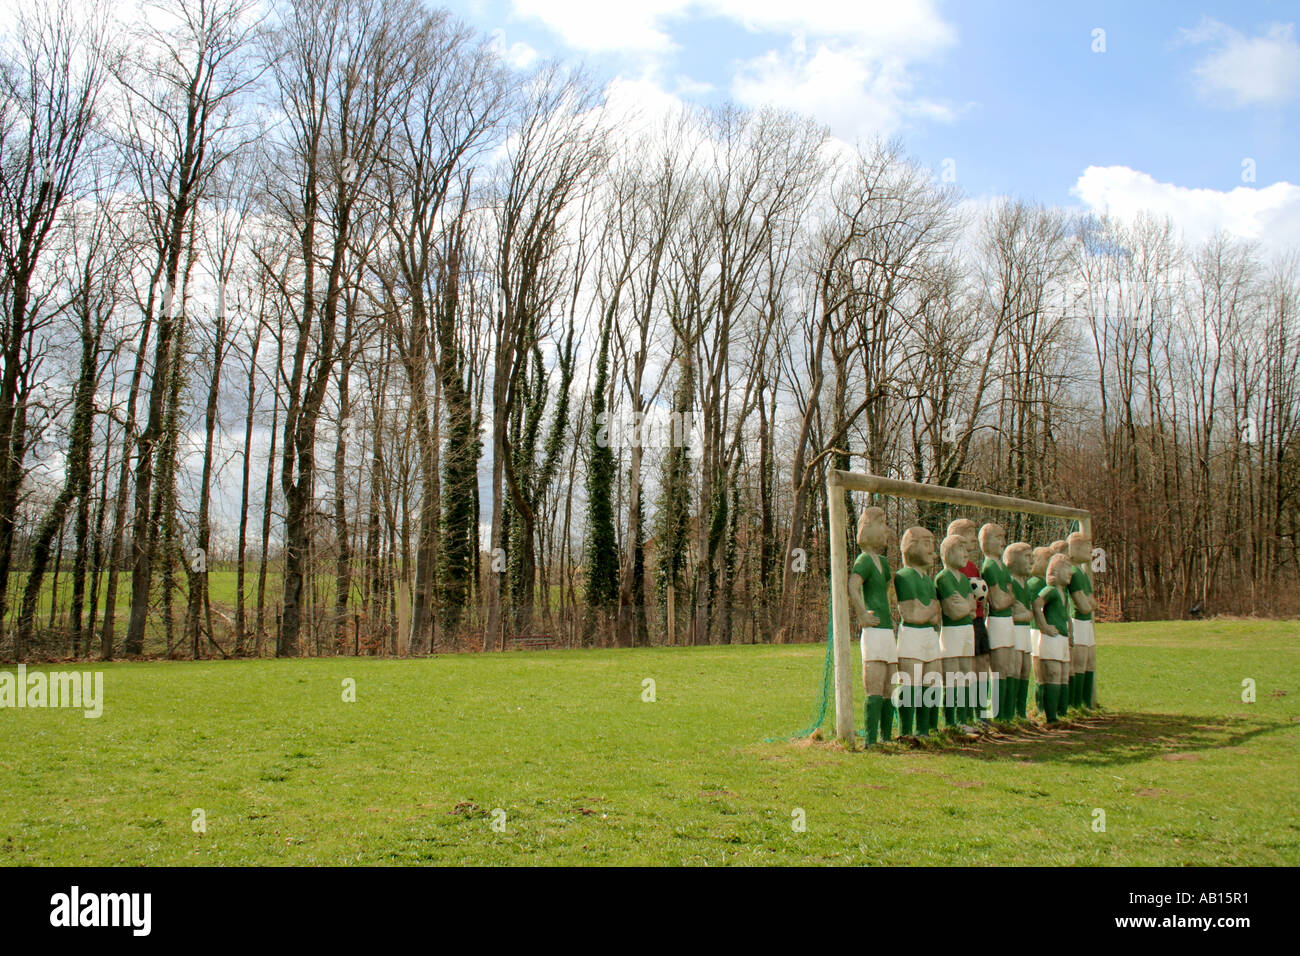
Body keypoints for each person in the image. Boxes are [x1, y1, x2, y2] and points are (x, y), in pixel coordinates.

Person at [849, 508, 897, 745]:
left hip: (888, 630)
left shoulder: (885, 563)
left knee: (890, 684)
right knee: (875, 683)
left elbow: (888, 593)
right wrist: (861, 613)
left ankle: (886, 736)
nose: (886, 529)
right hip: (874, 631)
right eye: (881, 523)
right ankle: (870, 738)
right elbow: (853, 586)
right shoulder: (864, 560)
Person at [894, 526, 942, 737]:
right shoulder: (904, 576)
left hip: (930, 635)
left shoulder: (928, 580)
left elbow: (933, 614)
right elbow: (913, 613)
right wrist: (932, 608)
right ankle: (905, 731)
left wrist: (930, 610)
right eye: (926, 544)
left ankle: (924, 730)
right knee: (910, 682)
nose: (933, 550)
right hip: (912, 635)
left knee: (932, 681)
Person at [935, 533, 978, 728]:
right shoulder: (943, 578)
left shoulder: (964, 579)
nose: (966, 553)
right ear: (948, 552)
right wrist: (967, 606)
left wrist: (967, 606)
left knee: (967, 673)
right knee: (952, 676)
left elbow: (972, 608)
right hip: (951, 633)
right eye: (961, 549)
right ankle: (951, 722)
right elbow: (953, 611)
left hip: (968, 630)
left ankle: (965, 719)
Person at [979, 522, 1017, 721]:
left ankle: (1008, 715)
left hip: (1007, 622)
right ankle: (998, 714)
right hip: (997, 622)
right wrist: (1010, 596)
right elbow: (999, 601)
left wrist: (1009, 596)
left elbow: (1009, 596)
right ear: (986, 541)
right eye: (997, 537)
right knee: (1000, 668)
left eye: (1003, 537)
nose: (1002, 542)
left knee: (1009, 668)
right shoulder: (990, 566)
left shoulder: (1001, 566)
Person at [1032, 554, 1074, 723]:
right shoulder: (1049, 590)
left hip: (1063, 638)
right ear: (1055, 571)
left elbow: (1067, 616)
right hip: (1052, 638)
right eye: (1066, 568)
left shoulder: (1063, 593)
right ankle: (1051, 716)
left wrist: (1071, 633)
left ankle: (1062, 712)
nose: (1070, 572)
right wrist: (1044, 626)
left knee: (1064, 675)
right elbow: (1037, 604)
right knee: (1054, 674)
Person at [1003, 541, 1036, 719]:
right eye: (1027, 557)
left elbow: (1028, 610)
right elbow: (1011, 610)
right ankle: (1008, 713)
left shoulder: (1026, 584)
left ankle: (1021, 713)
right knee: (1013, 669)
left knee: (1025, 668)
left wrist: (1027, 613)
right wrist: (1023, 614)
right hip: (1013, 632)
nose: (1031, 561)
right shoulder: (1009, 582)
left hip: (1025, 632)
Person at [1066, 530, 1097, 709]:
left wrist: (1090, 603)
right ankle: (1076, 703)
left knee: (1089, 661)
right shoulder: (1073, 572)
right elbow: (1084, 605)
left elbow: (1091, 602)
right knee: (1079, 661)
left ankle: (1087, 702)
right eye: (1086, 546)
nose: (1090, 550)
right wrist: (1090, 604)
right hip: (1077, 621)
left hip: (1087, 623)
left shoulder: (1083, 572)